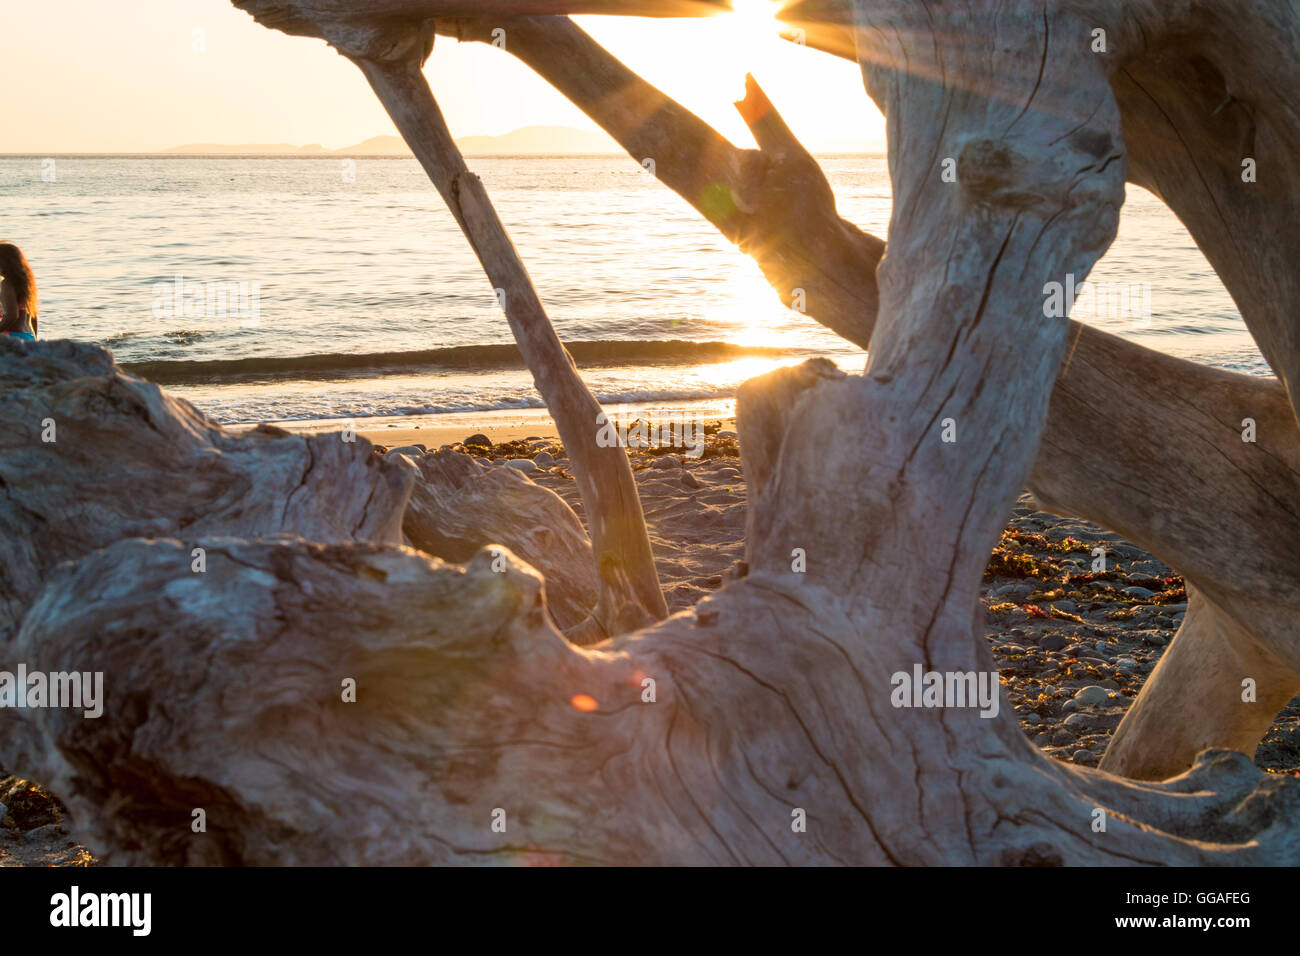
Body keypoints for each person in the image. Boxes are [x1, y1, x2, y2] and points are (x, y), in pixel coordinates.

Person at [0, 242, 39, 341]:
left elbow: (12, 316)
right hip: (29, 335)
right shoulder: (27, 283)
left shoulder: (7, 283)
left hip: (13, 337)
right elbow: (34, 316)